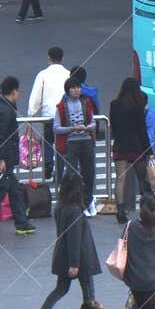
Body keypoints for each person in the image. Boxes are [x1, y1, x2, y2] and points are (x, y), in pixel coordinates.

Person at [31, 174, 99, 309]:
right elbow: (75, 238)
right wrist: (74, 263)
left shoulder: (60, 207)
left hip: (62, 253)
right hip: (80, 257)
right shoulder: (75, 210)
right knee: (88, 292)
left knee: (60, 289)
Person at [0, 75, 39, 239]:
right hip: (4, 158)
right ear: (14, 92)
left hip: (1, 157)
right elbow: (1, 137)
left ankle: (21, 222)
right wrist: (0, 158)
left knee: (13, 190)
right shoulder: (6, 111)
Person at [108, 77, 152, 224]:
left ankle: (120, 210)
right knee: (142, 179)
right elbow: (142, 129)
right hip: (136, 146)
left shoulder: (114, 105)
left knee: (120, 179)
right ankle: (146, 208)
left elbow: (113, 126)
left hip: (120, 145)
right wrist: (148, 149)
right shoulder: (137, 106)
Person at [54, 78, 100, 211]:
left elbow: (93, 123)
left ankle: (87, 201)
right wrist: (71, 129)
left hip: (86, 140)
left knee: (89, 172)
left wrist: (86, 127)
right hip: (71, 142)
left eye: (78, 87)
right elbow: (56, 127)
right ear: (67, 90)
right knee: (71, 174)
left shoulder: (87, 102)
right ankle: (73, 202)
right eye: (73, 88)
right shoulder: (61, 106)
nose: (76, 90)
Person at [28, 46, 70, 182]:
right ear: (62, 58)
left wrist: (31, 114)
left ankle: (47, 162)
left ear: (49, 58)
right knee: (62, 144)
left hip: (48, 115)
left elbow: (36, 97)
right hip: (64, 115)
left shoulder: (43, 75)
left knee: (47, 140)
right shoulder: (68, 74)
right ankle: (60, 172)